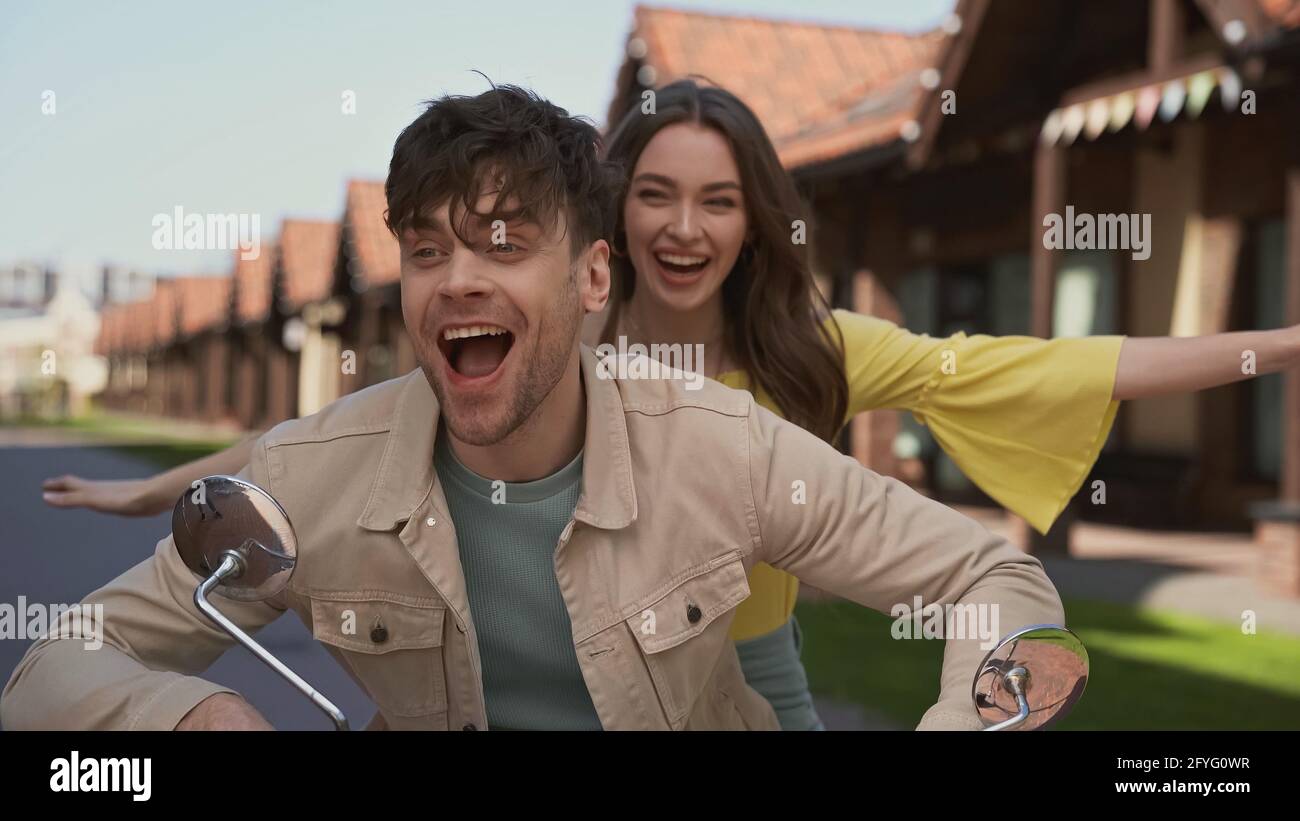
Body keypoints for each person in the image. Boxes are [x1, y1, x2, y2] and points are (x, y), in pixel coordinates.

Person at [41, 79, 1300, 730]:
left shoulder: (767, 397)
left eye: (500, 240)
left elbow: (1029, 415)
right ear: (618, 239)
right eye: (425, 249)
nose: (457, 277)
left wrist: (1276, 344)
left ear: (585, 273)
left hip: (736, 683)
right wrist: (192, 705)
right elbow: (267, 471)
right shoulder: (344, 452)